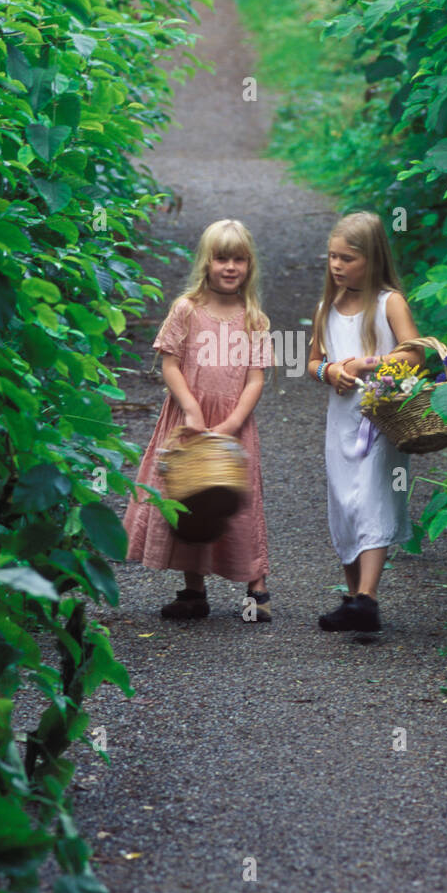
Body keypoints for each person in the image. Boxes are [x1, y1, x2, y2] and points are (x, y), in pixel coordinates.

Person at [123, 218, 273, 622]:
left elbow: (256, 378)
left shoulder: (254, 318)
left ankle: (256, 589)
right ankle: (194, 590)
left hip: (233, 424)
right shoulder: (187, 310)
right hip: (189, 420)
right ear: (206, 263)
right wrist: (191, 408)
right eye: (221, 258)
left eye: (238, 259)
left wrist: (233, 422)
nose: (230, 267)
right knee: (190, 497)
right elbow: (170, 365)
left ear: (249, 265)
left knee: (238, 503)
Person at [308, 211, 425, 636]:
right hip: (341, 421)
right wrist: (332, 372)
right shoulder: (328, 307)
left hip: (382, 417)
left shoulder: (388, 302)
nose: (337, 266)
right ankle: (355, 597)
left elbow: (415, 353)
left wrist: (369, 363)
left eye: (347, 258)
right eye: (332, 257)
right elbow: (314, 363)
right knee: (344, 502)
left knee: (374, 497)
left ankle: (369, 596)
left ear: (372, 259)